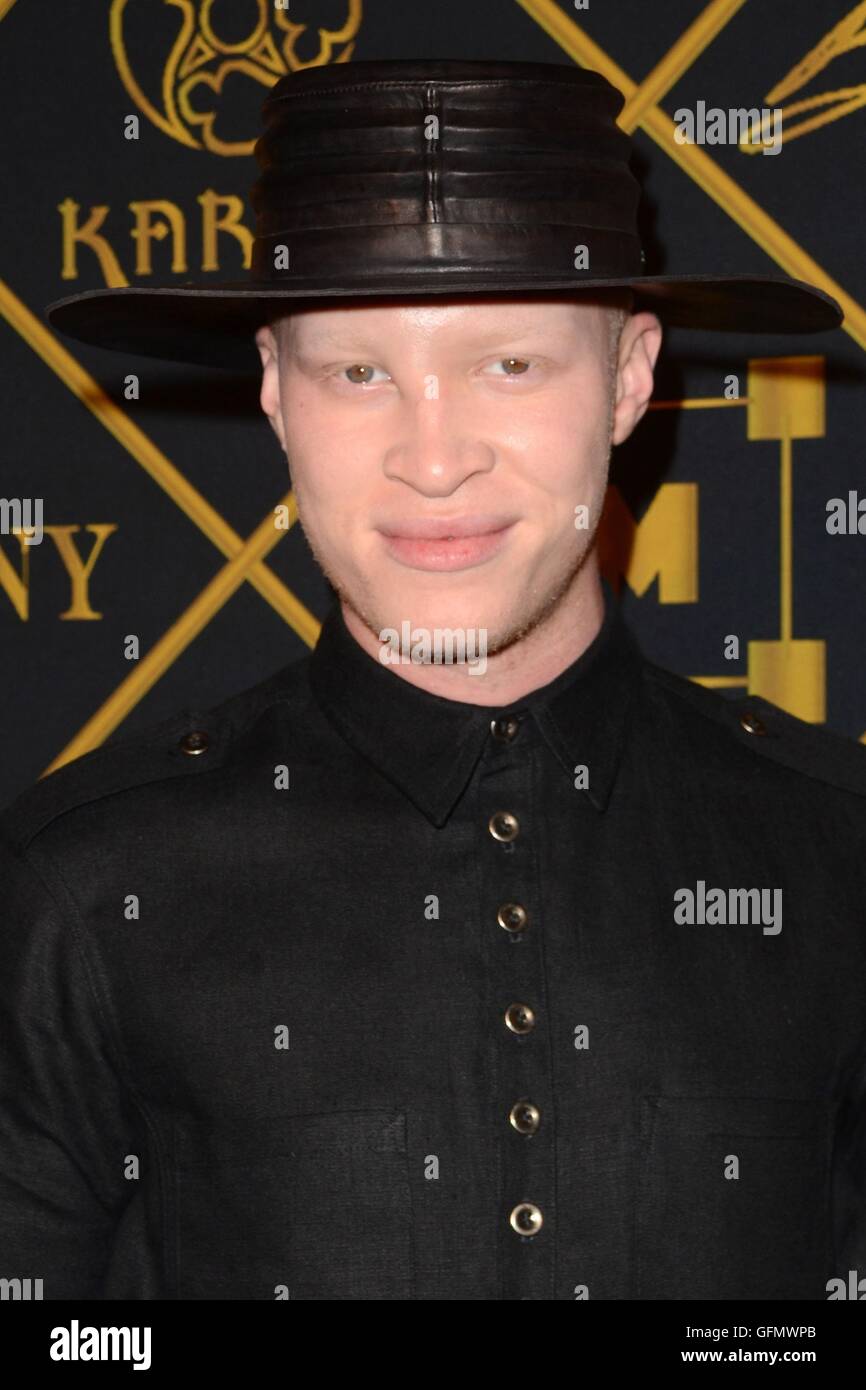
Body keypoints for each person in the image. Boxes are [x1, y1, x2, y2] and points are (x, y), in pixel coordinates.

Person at [1, 59, 863, 1301]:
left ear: (627, 379)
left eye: (507, 364)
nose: (433, 457)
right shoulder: (82, 886)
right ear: (273, 392)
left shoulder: (834, 852)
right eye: (358, 372)